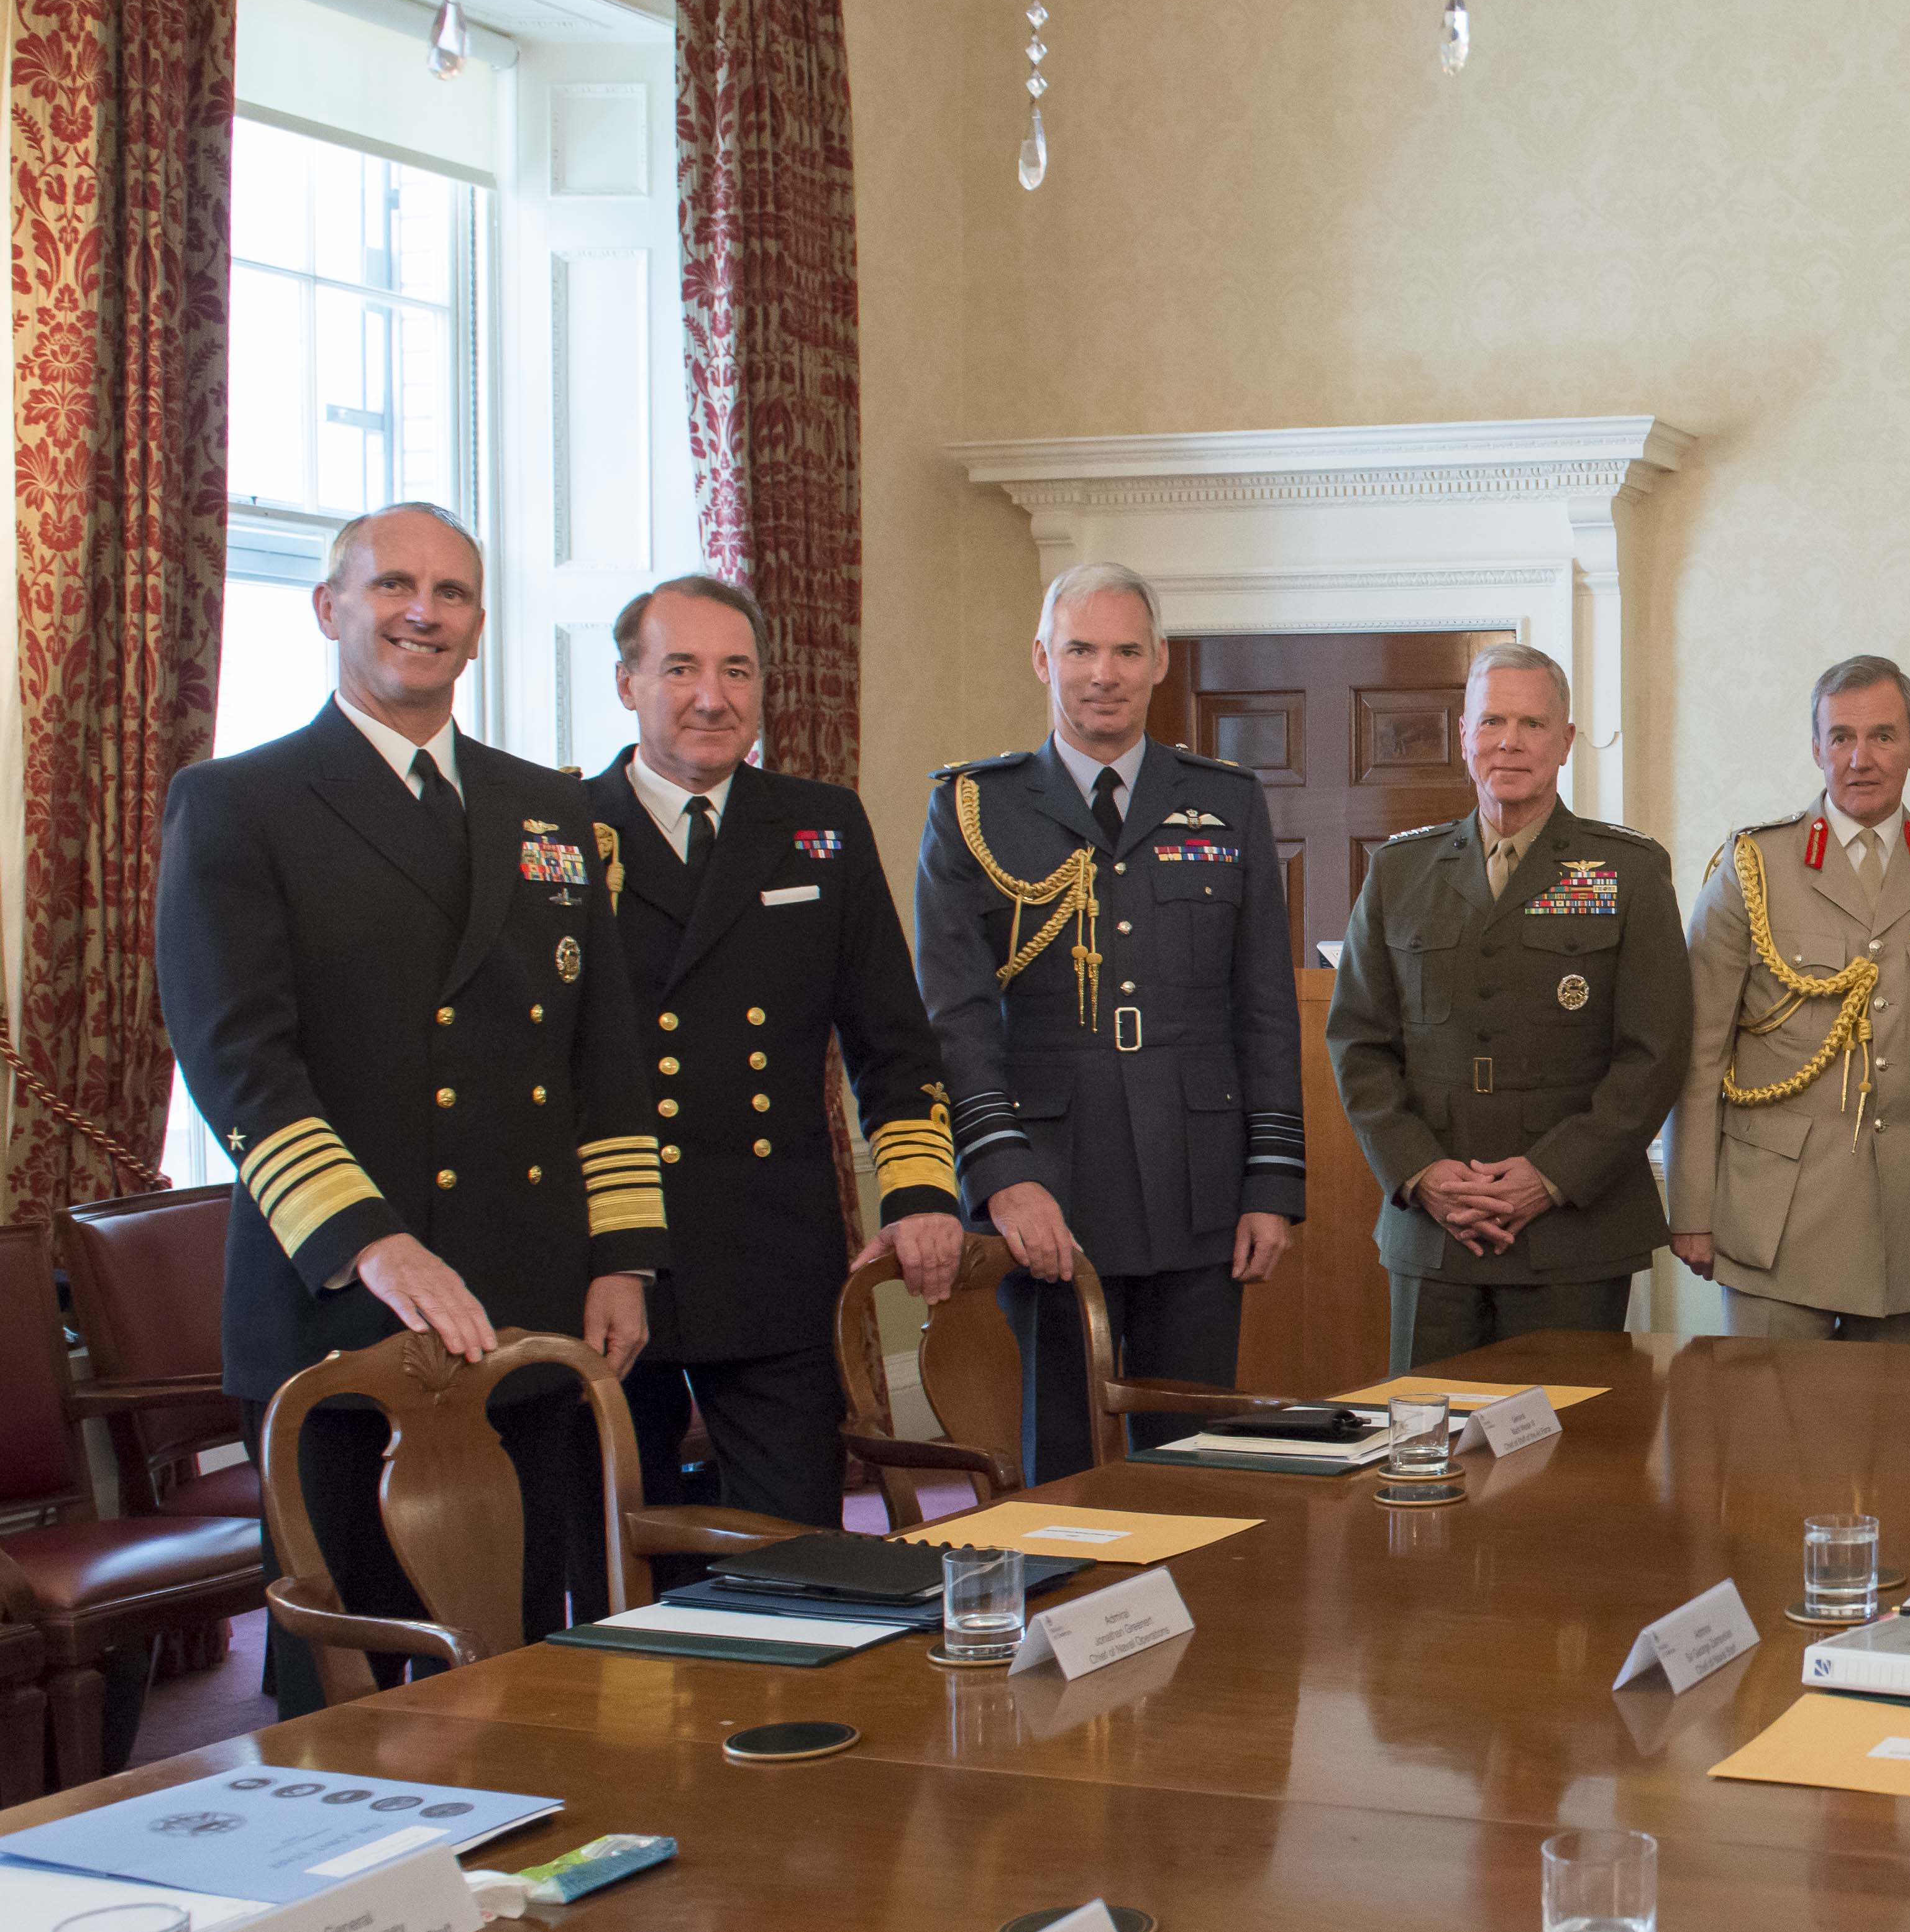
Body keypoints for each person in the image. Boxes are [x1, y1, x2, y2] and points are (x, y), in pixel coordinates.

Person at [157, 502, 664, 1716]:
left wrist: (622, 1255)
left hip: (526, 1300)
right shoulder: (240, 803)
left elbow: (602, 1056)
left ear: (479, 628)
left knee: (523, 1641)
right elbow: (239, 1062)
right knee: (356, 1671)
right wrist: (372, 1243)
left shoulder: (548, 808)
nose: (422, 612)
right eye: (393, 586)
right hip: (337, 1300)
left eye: (451, 593)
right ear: (331, 608)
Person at [587, 573, 963, 1524]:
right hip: (608, 1254)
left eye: (736, 671)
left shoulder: (819, 826)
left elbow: (892, 1038)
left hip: (771, 1254)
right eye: (680, 669)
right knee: (602, 1555)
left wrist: (919, 1190)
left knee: (796, 1547)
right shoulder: (559, 834)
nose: (711, 696)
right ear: (626, 682)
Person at [915, 561, 1304, 1479]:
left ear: (1160, 661)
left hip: (1201, 1180)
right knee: (1061, 1448)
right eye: (1082, 649)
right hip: (1050, 1185)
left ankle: (1203, 1615)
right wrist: (1002, 1176)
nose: (1105, 672)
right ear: (1043, 660)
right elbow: (956, 1013)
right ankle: (1067, 1618)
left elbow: (1264, 1007)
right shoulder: (974, 808)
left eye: (1127, 650)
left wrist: (1272, 1180)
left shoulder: (1229, 799)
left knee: (1199, 1451)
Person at [1330, 643, 1688, 1368]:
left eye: (1532, 723)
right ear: (1464, 735)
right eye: (1493, 720)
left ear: (1565, 741)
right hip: (1436, 1229)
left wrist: (1549, 1176)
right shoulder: (1400, 871)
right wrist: (1423, 1174)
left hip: (1573, 1233)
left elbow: (1655, 1053)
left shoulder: (1628, 870)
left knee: (1575, 1462)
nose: (1510, 741)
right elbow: (1360, 1044)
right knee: (1431, 1447)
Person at [1669, 656, 1910, 1341]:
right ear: (1816, 747)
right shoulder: (1753, 866)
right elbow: (1699, 1052)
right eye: (1842, 736)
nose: (1861, 758)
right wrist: (1692, 1211)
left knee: (1901, 1438)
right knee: (1768, 1433)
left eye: (1883, 736)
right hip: (1777, 1216)